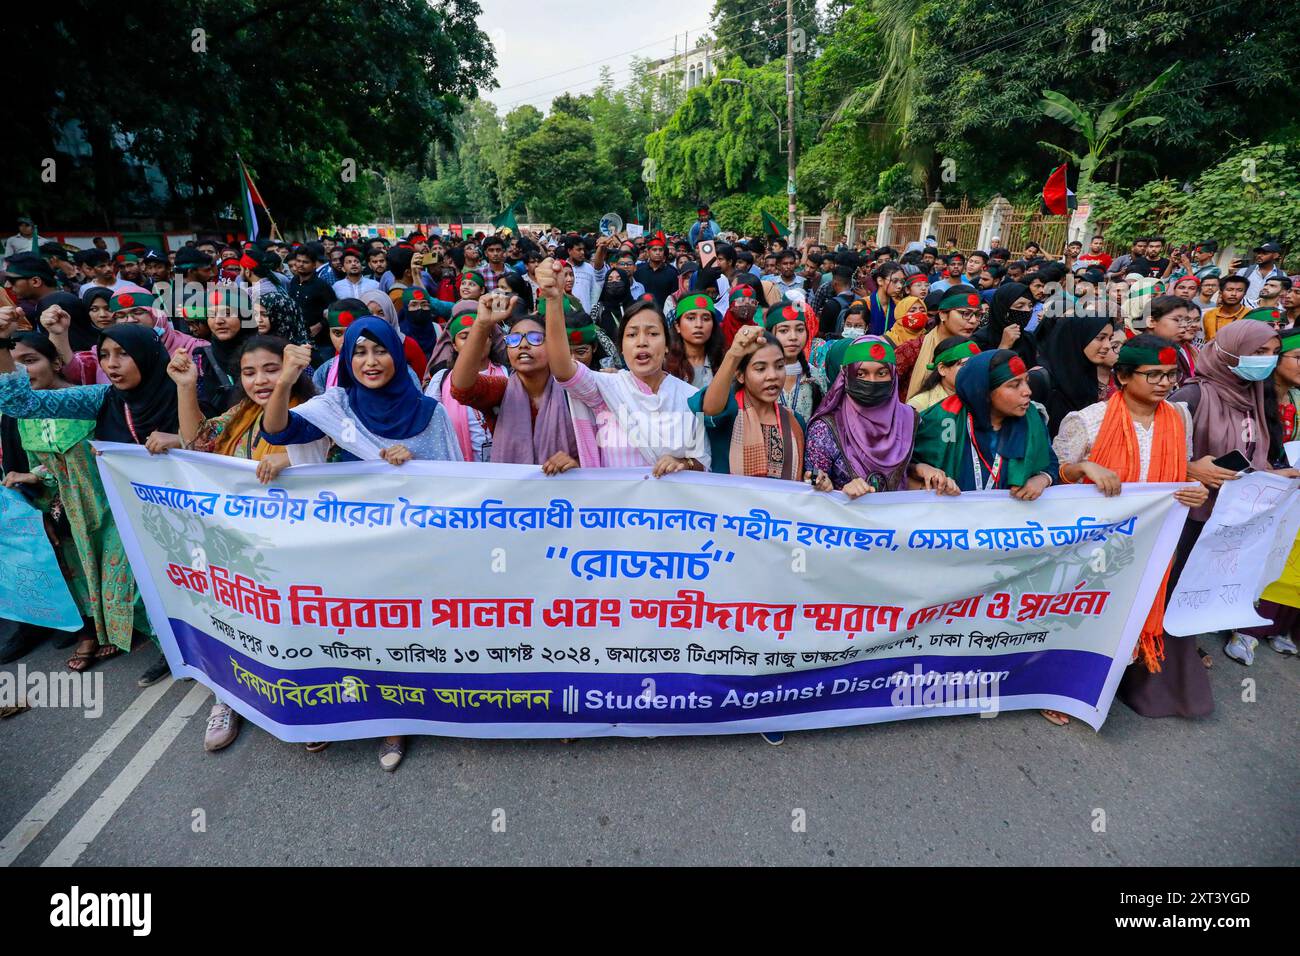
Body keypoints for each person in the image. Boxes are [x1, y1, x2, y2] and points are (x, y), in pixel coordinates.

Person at [261, 319, 462, 771]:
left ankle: (394, 718)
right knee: (350, 631)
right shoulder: (337, 406)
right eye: (359, 352)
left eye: (380, 350)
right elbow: (278, 432)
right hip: (349, 545)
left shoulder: (430, 413)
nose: (370, 362)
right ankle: (340, 710)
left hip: (409, 549)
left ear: (397, 353)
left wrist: (411, 463)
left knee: (398, 634)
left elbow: (453, 486)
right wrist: (285, 380)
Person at [0, 323, 180, 686]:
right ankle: (174, 652)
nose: (111, 364)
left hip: (179, 513)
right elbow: (20, 403)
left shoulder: (180, 391)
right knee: (133, 589)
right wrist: (2, 344)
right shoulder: (101, 398)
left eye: (123, 354)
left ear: (148, 355)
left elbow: (210, 441)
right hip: (121, 513)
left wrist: (178, 438)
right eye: (104, 355)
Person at [167, 335, 318, 750]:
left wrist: (291, 458)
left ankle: (310, 707)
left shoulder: (316, 411)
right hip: (237, 550)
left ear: (291, 367)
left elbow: (342, 458)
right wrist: (186, 387)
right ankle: (228, 698)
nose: (260, 380)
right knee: (240, 624)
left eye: (271, 369)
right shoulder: (240, 414)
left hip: (297, 550)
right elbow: (199, 444)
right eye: (249, 373)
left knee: (297, 630)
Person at [1052, 334, 1210, 721]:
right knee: (1082, 612)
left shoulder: (1179, 417)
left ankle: (1110, 682)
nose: (1164, 383)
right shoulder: (1088, 420)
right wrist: (1083, 468)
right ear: (1123, 376)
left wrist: (1194, 489)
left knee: (1129, 614)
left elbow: (1179, 471)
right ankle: (1060, 688)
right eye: (1152, 374)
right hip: (1092, 543)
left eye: (1170, 374)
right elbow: (1056, 478)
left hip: (1152, 541)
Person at [1168, 320, 1292, 668]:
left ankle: (1180, 653)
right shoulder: (1192, 395)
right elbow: (1157, 453)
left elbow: (1252, 454)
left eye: (1274, 353)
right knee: (1170, 587)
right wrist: (1189, 468)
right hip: (1188, 515)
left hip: (1228, 519)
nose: (1267, 360)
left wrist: (1273, 475)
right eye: (1258, 352)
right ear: (1229, 350)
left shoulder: (1254, 397)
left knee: (1195, 591)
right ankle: (1157, 662)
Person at [540, 258, 708, 472]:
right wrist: (554, 300)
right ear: (621, 348)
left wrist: (683, 464)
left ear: (667, 345)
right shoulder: (606, 389)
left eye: (653, 333)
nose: (642, 342)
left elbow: (704, 463)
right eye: (632, 335)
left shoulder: (691, 397)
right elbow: (563, 370)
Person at [450, 290, 580, 471]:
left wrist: (577, 464)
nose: (523, 345)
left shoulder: (575, 391)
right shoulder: (501, 390)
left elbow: (597, 450)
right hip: (510, 488)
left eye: (535, 338)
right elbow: (461, 388)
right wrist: (482, 324)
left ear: (552, 345)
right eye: (514, 339)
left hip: (567, 487)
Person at [911, 349, 1059, 497]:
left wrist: (1043, 479)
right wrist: (921, 469)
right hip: (952, 509)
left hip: (1011, 511)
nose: (1027, 391)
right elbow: (906, 463)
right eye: (1014, 385)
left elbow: (1050, 462)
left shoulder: (1031, 419)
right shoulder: (944, 418)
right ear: (984, 391)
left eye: (1027, 381)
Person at [804, 336, 939, 497]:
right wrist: (835, 490)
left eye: (882, 373)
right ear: (846, 375)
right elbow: (812, 480)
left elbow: (903, 474)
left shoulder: (909, 419)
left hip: (897, 512)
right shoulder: (825, 428)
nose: (872, 381)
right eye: (861, 374)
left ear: (893, 375)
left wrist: (918, 470)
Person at [1237, 324, 1300, 658]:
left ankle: (1274, 625)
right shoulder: (1252, 398)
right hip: (1255, 490)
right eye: (1298, 357)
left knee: (1283, 555)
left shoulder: (1296, 399)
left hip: (1290, 491)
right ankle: (1241, 627)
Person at [690, 325, 805, 478]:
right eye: (760, 369)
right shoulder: (728, 412)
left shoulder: (794, 421)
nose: (772, 375)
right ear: (740, 375)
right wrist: (733, 354)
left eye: (779, 366)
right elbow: (708, 409)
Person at [424, 308, 506, 462]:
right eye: (464, 336)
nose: (474, 341)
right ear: (454, 345)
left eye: (481, 334)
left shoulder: (508, 373)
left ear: (491, 340)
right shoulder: (441, 380)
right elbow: (431, 425)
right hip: (460, 469)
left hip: (505, 466)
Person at [1030, 315, 1115, 437]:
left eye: (1109, 338)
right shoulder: (1039, 379)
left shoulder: (1087, 376)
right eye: (1100, 338)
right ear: (1078, 338)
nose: (1108, 345)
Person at [898, 286, 982, 400]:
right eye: (965, 313)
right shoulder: (912, 350)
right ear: (942, 314)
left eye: (978, 315)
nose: (973, 321)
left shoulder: (974, 350)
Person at [762, 300, 826, 422]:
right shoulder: (759, 377)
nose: (793, 337)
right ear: (770, 334)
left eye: (800, 329)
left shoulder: (816, 377)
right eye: (784, 331)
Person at [668, 293, 726, 389]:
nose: (699, 324)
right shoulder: (665, 364)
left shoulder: (723, 362)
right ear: (677, 326)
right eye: (691, 318)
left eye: (706, 319)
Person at [975, 281, 1037, 371]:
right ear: (1003, 309)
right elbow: (979, 374)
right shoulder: (980, 340)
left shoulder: (1028, 338)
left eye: (1030, 306)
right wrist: (1004, 346)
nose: (1027, 310)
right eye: (1020, 306)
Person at [907, 336, 979, 413]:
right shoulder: (920, 405)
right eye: (964, 364)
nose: (973, 370)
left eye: (976, 365)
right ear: (942, 369)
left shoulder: (981, 399)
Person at [1202, 274, 1249, 340]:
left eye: (1239, 290)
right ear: (1221, 292)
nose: (1234, 294)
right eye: (1229, 290)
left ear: (1245, 293)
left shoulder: (1250, 316)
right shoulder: (1209, 315)